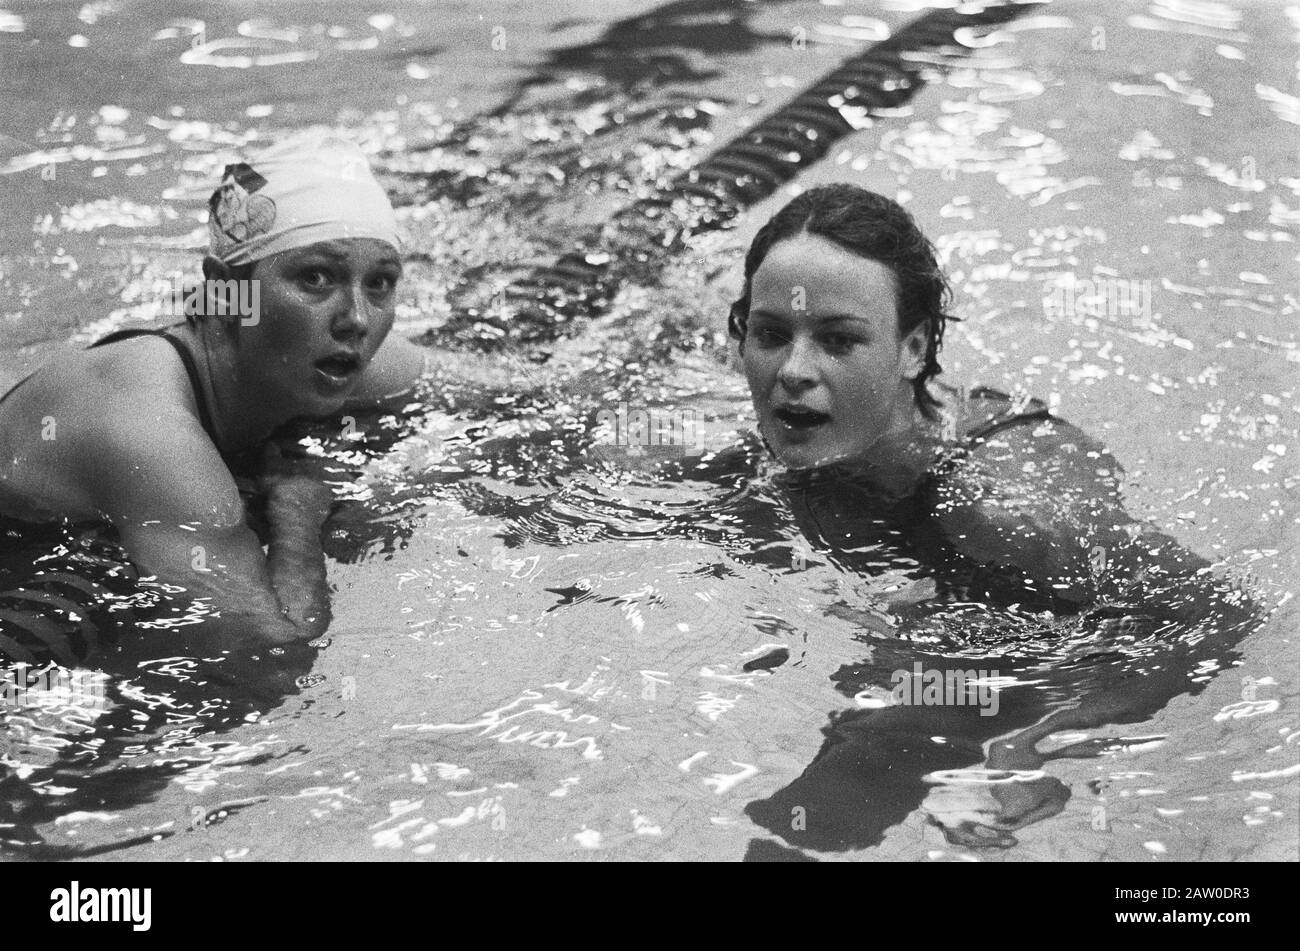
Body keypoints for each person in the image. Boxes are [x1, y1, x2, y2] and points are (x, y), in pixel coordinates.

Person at [715, 184, 1261, 856]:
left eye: (838, 340)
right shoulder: (796, 441)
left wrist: (1045, 738)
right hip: (928, 589)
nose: (793, 371)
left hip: (1038, 644)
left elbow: (1219, 609)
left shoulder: (998, 505)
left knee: (837, 793)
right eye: (771, 334)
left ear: (914, 349)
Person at [0, 134, 429, 663]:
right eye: (316, 278)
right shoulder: (147, 432)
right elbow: (269, 662)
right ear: (228, 292)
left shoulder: (325, 350)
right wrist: (298, 523)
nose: (358, 319)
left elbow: (513, 388)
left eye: (380, 283)